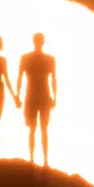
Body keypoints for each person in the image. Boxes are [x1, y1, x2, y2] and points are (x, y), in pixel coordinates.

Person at [16, 33, 57, 167]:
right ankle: (35, 159)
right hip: (37, 95)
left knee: (39, 129)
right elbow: (20, 78)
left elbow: (54, 80)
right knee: (36, 129)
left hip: (38, 95)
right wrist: (17, 95)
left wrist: (55, 96)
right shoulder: (46, 59)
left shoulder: (28, 58)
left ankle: (39, 159)